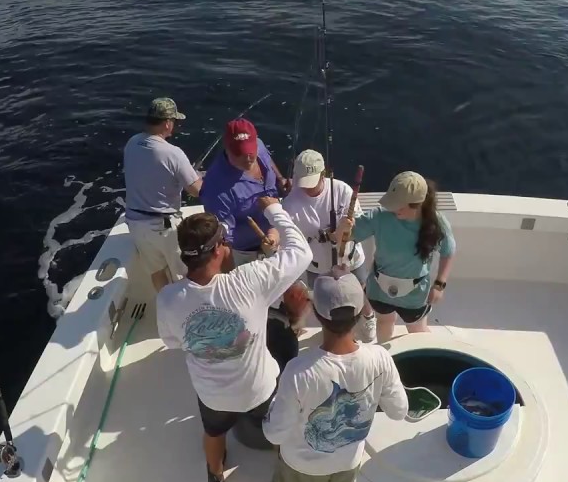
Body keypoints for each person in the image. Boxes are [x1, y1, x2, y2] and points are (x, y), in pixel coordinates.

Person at [156, 196, 312, 482]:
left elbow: (173, 342)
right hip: (259, 390)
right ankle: (285, 468)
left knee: (214, 432)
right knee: (278, 431)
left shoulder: (167, 298)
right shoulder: (248, 280)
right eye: (224, 242)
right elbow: (301, 252)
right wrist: (273, 209)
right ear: (218, 249)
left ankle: (215, 474)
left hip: (212, 395)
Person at [263, 273, 409, 482]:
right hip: (347, 458)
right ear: (359, 312)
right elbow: (399, 411)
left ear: (317, 314)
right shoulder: (380, 358)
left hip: (300, 463)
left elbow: (275, 434)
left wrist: (271, 411)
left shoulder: (298, 370)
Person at [347, 172, 456, 342]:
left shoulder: (437, 224)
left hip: (415, 294)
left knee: (417, 331)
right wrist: (343, 228)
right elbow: (348, 234)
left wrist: (439, 285)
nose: (393, 209)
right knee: (384, 322)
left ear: (417, 205)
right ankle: (385, 354)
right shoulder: (380, 216)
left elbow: (448, 252)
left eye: (399, 206)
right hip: (379, 289)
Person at [282, 149, 377, 342]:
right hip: (317, 264)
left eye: (311, 182)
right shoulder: (290, 203)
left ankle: (368, 317)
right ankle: (324, 328)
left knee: (359, 291)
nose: (306, 188)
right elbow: (289, 238)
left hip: (348, 258)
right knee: (321, 298)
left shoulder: (343, 191)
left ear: (323, 174)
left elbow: (357, 227)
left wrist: (344, 230)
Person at [122, 97, 202, 291]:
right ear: (167, 123)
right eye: (174, 121)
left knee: (157, 272)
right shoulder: (173, 153)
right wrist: (197, 176)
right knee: (184, 275)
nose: (174, 125)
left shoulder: (132, 142)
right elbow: (197, 190)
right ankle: (185, 308)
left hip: (135, 224)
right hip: (162, 227)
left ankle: (164, 307)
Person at [200, 118, 291, 267]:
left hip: (278, 230)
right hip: (248, 254)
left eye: (251, 152)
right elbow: (224, 242)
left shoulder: (259, 145)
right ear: (227, 149)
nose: (248, 159)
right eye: (239, 154)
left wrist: (280, 178)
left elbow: (267, 160)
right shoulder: (215, 188)